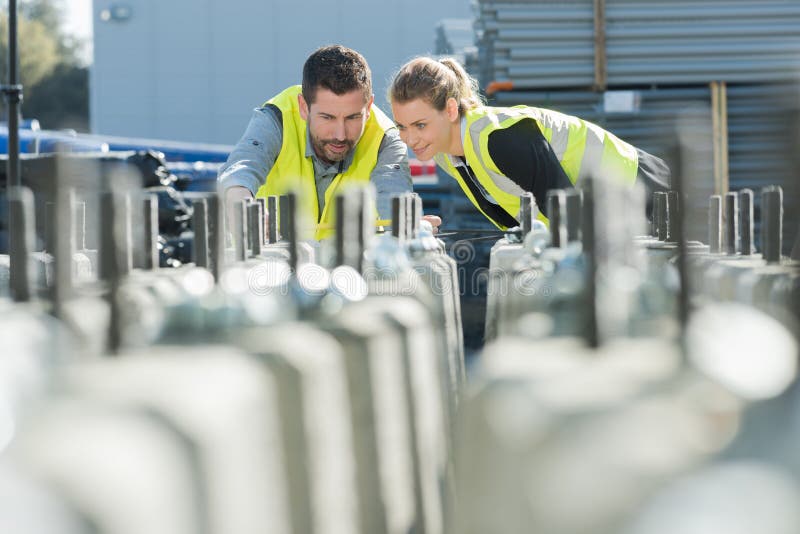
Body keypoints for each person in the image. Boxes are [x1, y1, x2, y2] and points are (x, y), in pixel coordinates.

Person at [389, 56, 670, 230]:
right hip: (609, 213)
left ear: (450, 110)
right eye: (402, 126)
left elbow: (568, 214)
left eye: (420, 125)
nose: (410, 139)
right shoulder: (446, 153)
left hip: (642, 192)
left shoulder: (499, 139)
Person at [218, 45, 412, 240]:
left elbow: (396, 210)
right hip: (272, 263)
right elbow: (241, 169)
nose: (340, 134)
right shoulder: (278, 118)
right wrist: (240, 204)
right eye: (327, 117)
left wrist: (410, 229)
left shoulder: (386, 138)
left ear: (368, 107)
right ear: (304, 107)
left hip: (354, 267)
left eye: (352, 117)